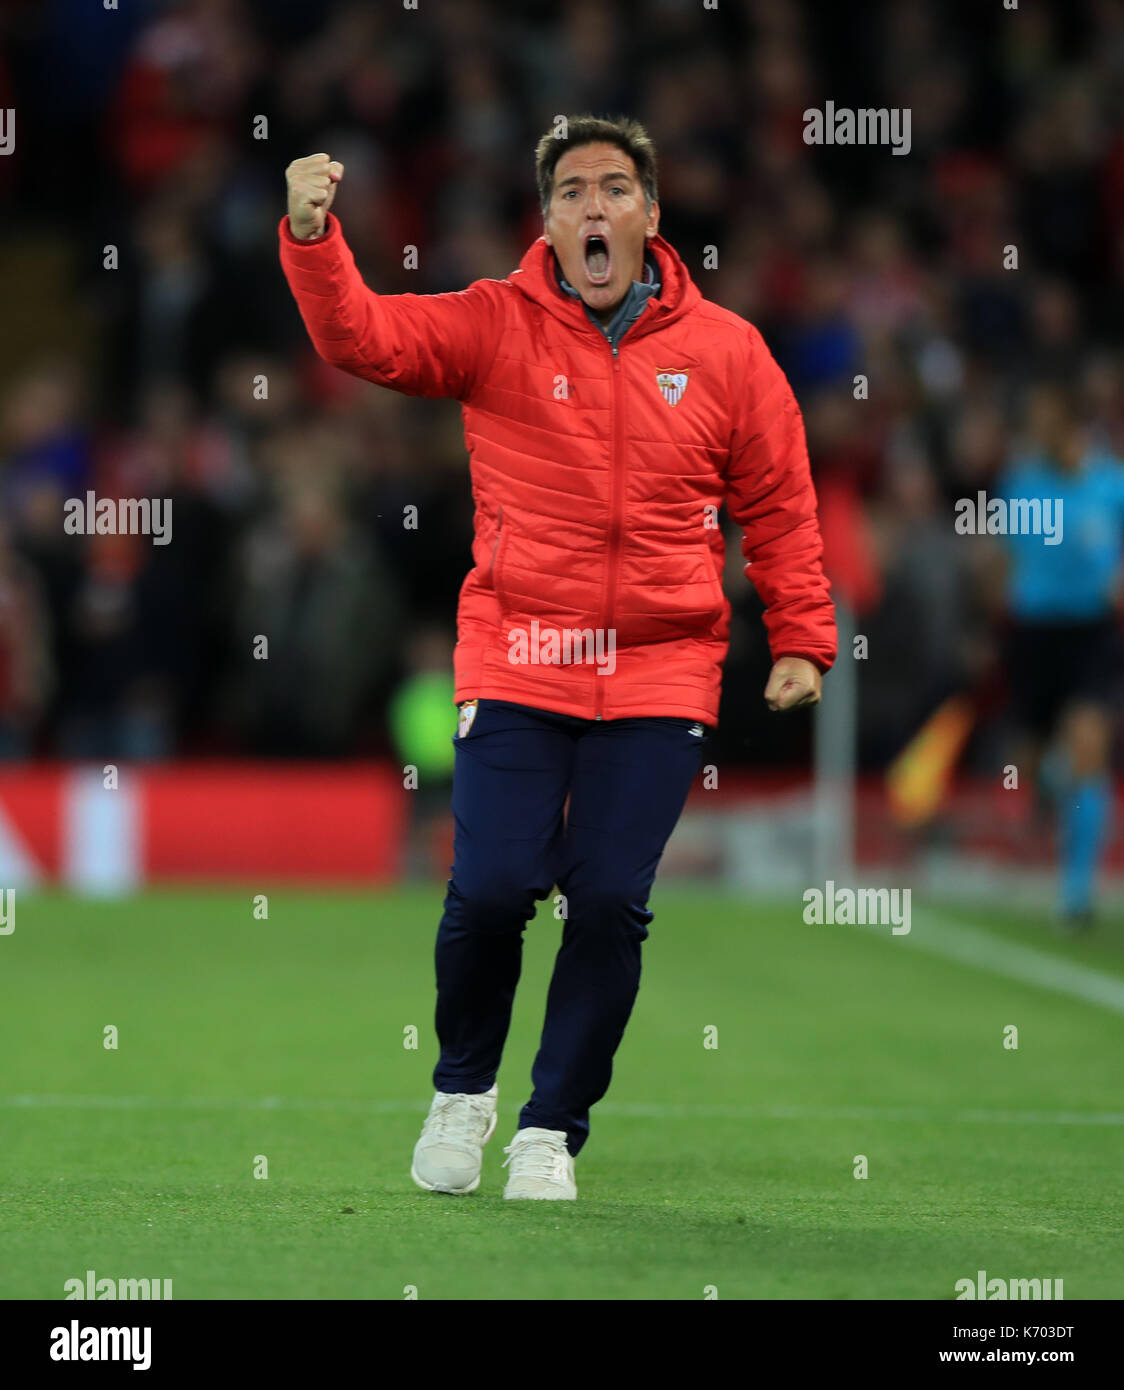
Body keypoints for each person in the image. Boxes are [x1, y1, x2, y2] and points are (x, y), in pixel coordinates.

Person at [280, 115, 836, 1200]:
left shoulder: (728, 353)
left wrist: (802, 636)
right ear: (546, 220)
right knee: (489, 888)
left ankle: (549, 1129)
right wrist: (313, 237)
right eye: (572, 190)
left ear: (649, 215)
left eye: (614, 189)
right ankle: (461, 1089)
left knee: (609, 898)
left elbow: (778, 504)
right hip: (521, 649)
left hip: (660, 666)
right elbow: (364, 339)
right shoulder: (495, 324)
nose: (593, 207)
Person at [996, 383, 1124, 928]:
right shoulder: (1019, 484)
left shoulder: (1111, 484)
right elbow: (1004, 560)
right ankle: (1053, 784)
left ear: (1073, 423)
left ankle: (1076, 894)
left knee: (1088, 747)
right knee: (1038, 763)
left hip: (1091, 632)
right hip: (1033, 635)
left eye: (1048, 420)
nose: (1038, 432)